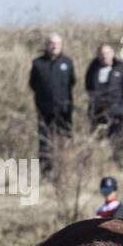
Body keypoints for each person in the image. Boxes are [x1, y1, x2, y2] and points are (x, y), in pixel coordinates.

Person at [28, 33, 75, 176]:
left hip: (64, 110)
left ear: (61, 46)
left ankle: (65, 170)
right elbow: (33, 84)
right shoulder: (38, 63)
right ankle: (45, 171)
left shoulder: (67, 62)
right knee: (45, 141)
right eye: (51, 43)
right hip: (44, 110)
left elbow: (72, 82)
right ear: (46, 46)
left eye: (57, 43)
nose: (54, 46)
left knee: (65, 140)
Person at [85, 43, 123, 166]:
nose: (104, 56)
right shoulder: (93, 69)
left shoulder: (121, 68)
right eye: (101, 54)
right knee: (97, 140)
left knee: (117, 140)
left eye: (107, 53)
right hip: (97, 112)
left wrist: (120, 104)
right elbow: (88, 86)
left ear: (112, 54)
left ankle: (120, 165)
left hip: (115, 112)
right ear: (98, 56)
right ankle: (98, 165)